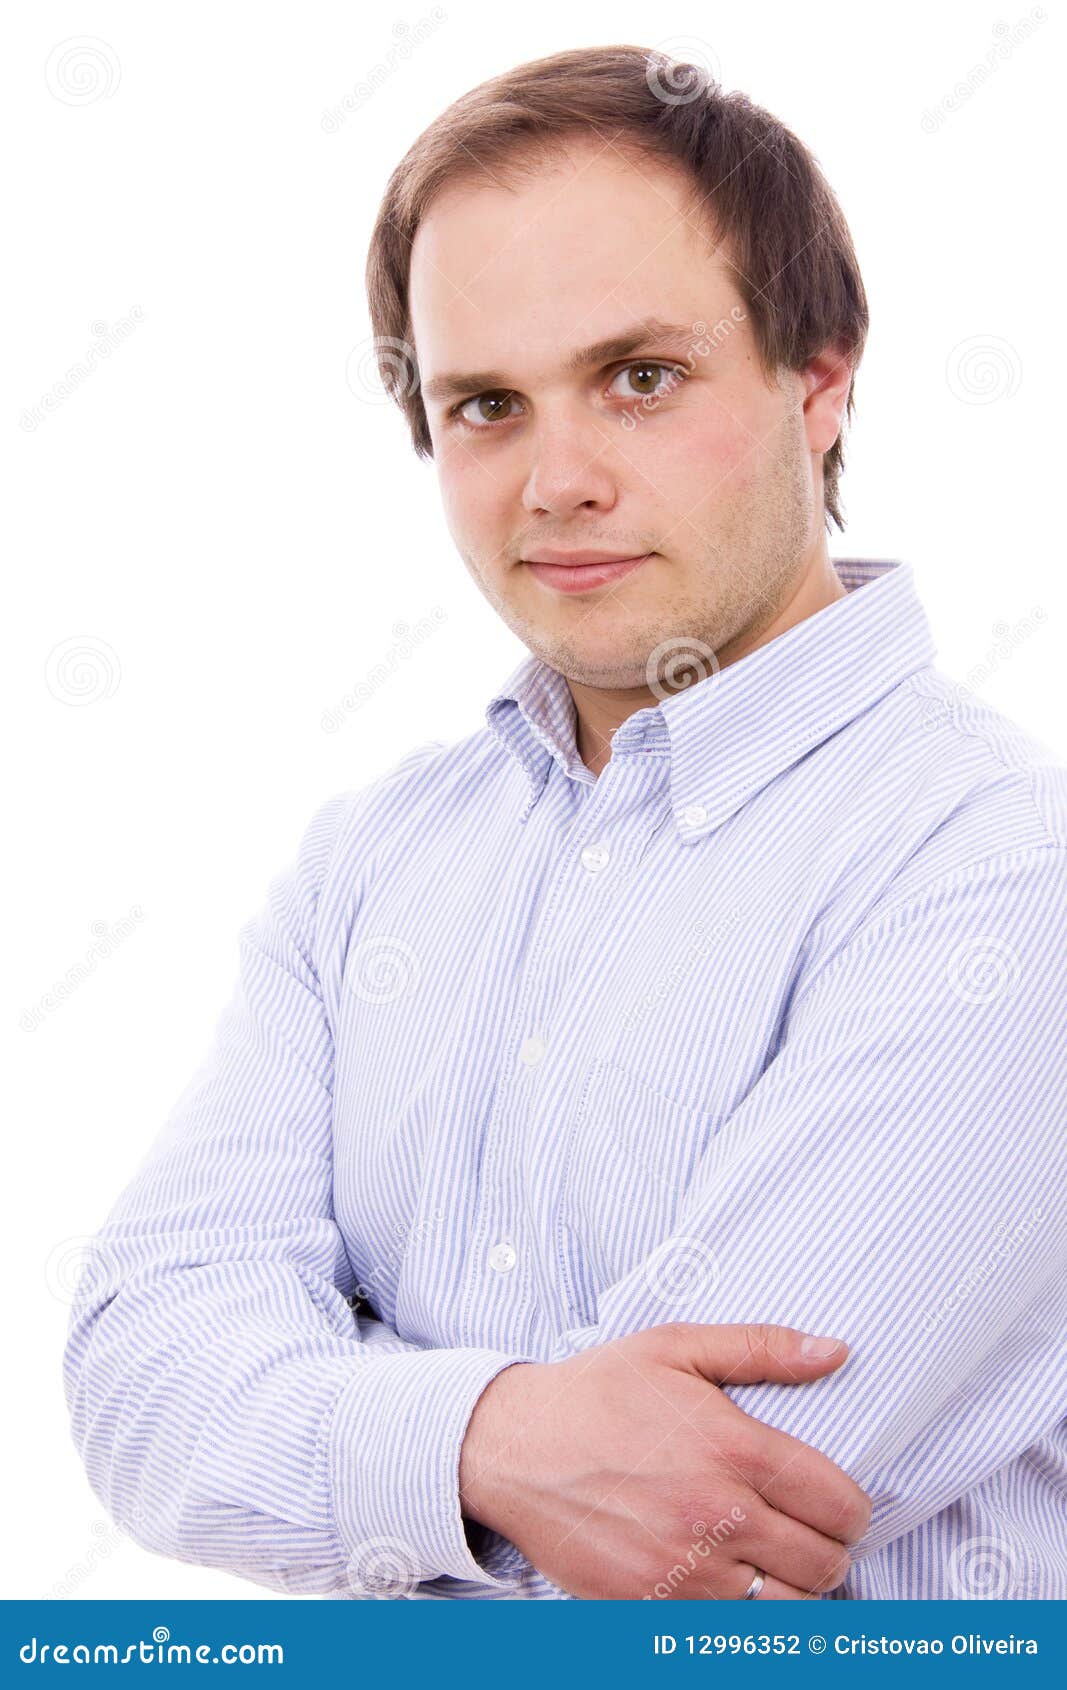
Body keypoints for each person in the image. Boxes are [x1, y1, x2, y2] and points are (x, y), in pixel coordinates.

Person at [63, 46, 1067, 1602]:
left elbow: (698, 1511)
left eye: (640, 379)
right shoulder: (367, 864)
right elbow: (137, 1373)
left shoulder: (997, 868)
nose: (558, 481)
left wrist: (342, 1425)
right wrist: (491, 1437)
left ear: (821, 376)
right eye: (485, 405)